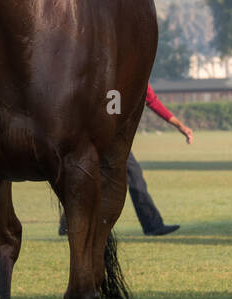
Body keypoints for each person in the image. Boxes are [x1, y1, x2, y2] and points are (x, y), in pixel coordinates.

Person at [59, 84, 193, 237]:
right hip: (105, 137)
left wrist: (180, 126)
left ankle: (67, 224)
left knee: (93, 179)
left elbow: (151, 100)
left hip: (105, 136)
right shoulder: (117, 71)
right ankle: (152, 225)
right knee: (132, 177)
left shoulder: (130, 70)